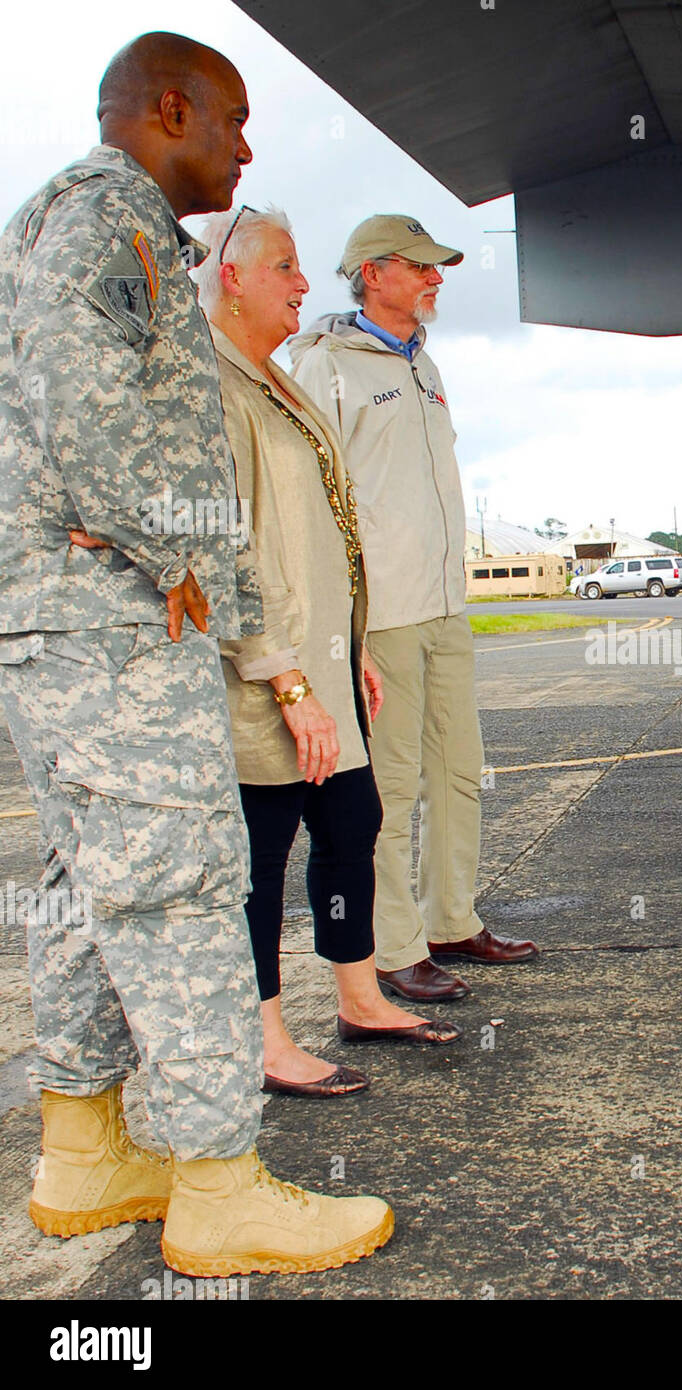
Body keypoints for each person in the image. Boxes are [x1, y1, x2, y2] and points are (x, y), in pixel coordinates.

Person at [0, 31, 390, 1275]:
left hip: (74, 616)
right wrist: (184, 560)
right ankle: (220, 1182)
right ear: (169, 110)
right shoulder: (106, 217)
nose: (245, 144)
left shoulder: (74, 222)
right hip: (114, 621)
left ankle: (82, 1147)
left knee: (82, 887)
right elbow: (85, 412)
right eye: (230, 120)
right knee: (179, 889)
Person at [193, 205, 461, 1097]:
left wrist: (351, 653)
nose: (303, 284)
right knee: (262, 856)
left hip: (328, 662)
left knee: (352, 826)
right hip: (267, 677)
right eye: (283, 268)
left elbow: (332, 528)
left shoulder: (276, 381)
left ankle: (359, 997)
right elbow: (219, 554)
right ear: (230, 277)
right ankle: (267, 1037)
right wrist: (286, 676)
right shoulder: (215, 390)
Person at [291, 215, 537, 1004]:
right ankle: (394, 946)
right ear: (370, 272)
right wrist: (345, 624)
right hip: (383, 616)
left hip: (443, 608)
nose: (436, 280)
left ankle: (450, 920)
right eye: (421, 268)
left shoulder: (423, 362)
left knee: (457, 772)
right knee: (391, 787)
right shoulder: (325, 365)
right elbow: (313, 499)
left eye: (437, 269)